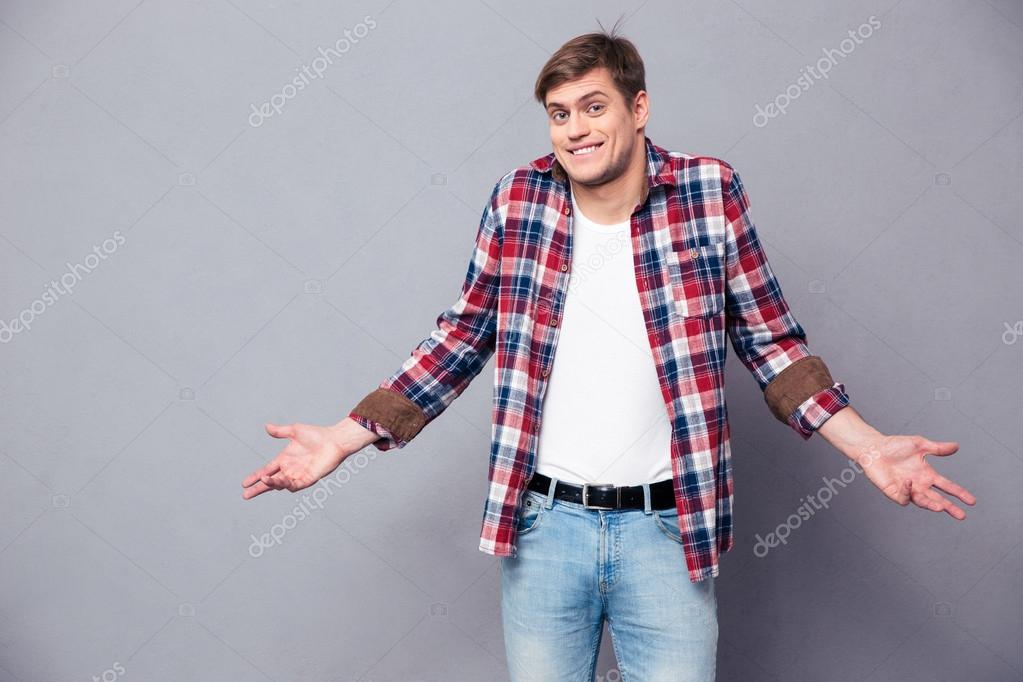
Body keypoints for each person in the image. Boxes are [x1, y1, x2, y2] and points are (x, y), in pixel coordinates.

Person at [242, 26, 976, 681]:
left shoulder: (707, 194)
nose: (574, 129)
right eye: (559, 114)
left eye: (593, 106)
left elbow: (769, 341)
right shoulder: (518, 200)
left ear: (638, 108)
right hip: (542, 528)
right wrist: (341, 439)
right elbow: (463, 335)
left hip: (668, 530)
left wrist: (867, 445)